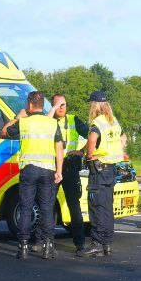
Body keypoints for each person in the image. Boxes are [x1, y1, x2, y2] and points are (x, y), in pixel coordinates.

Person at [1, 92, 64, 259]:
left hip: (29, 170)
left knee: (26, 208)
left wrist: (17, 117)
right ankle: (48, 246)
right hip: (48, 170)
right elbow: (59, 148)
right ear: (43, 105)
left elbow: (4, 131)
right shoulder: (52, 123)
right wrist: (59, 171)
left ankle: (23, 247)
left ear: (29, 105)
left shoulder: (24, 122)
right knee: (46, 209)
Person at [78, 91, 125, 258]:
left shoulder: (97, 123)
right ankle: (107, 244)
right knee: (107, 207)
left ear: (95, 105)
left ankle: (96, 244)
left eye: (91, 103)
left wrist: (89, 154)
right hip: (111, 169)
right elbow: (122, 138)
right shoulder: (113, 121)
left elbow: (92, 141)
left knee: (96, 208)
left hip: (98, 170)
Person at [52, 94, 91, 254]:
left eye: (64, 104)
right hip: (52, 166)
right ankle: (44, 242)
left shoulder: (74, 120)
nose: (62, 108)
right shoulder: (48, 122)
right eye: (58, 105)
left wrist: (82, 151)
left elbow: (93, 135)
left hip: (70, 166)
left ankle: (80, 244)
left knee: (74, 206)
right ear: (52, 106)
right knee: (47, 205)